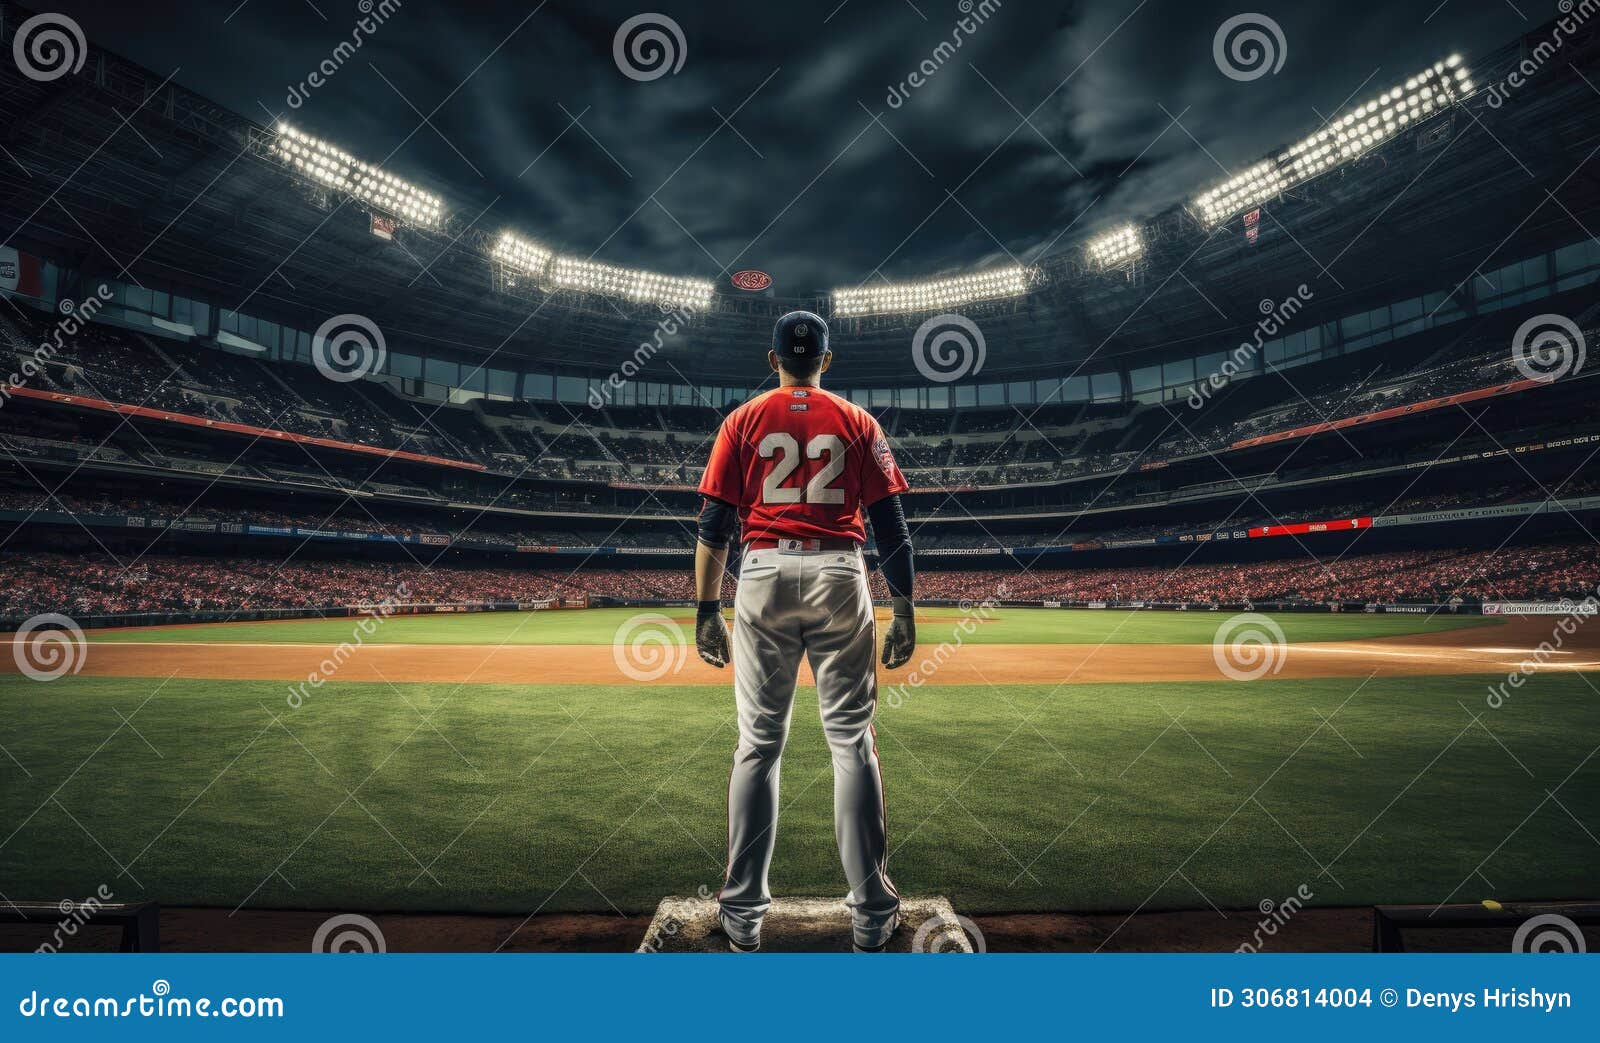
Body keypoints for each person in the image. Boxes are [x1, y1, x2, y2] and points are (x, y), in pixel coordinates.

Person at [693, 310, 917, 953]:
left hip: (762, 571)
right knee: (852, 744)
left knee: (758, 746)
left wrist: (707, 611)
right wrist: (904, 610)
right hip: (840, 573)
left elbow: (713, 526)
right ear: (828, 358)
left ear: (772, 360)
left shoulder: (742, 419)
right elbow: (892, 529)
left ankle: (741, 916)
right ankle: (872, 914)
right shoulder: (856, 420)